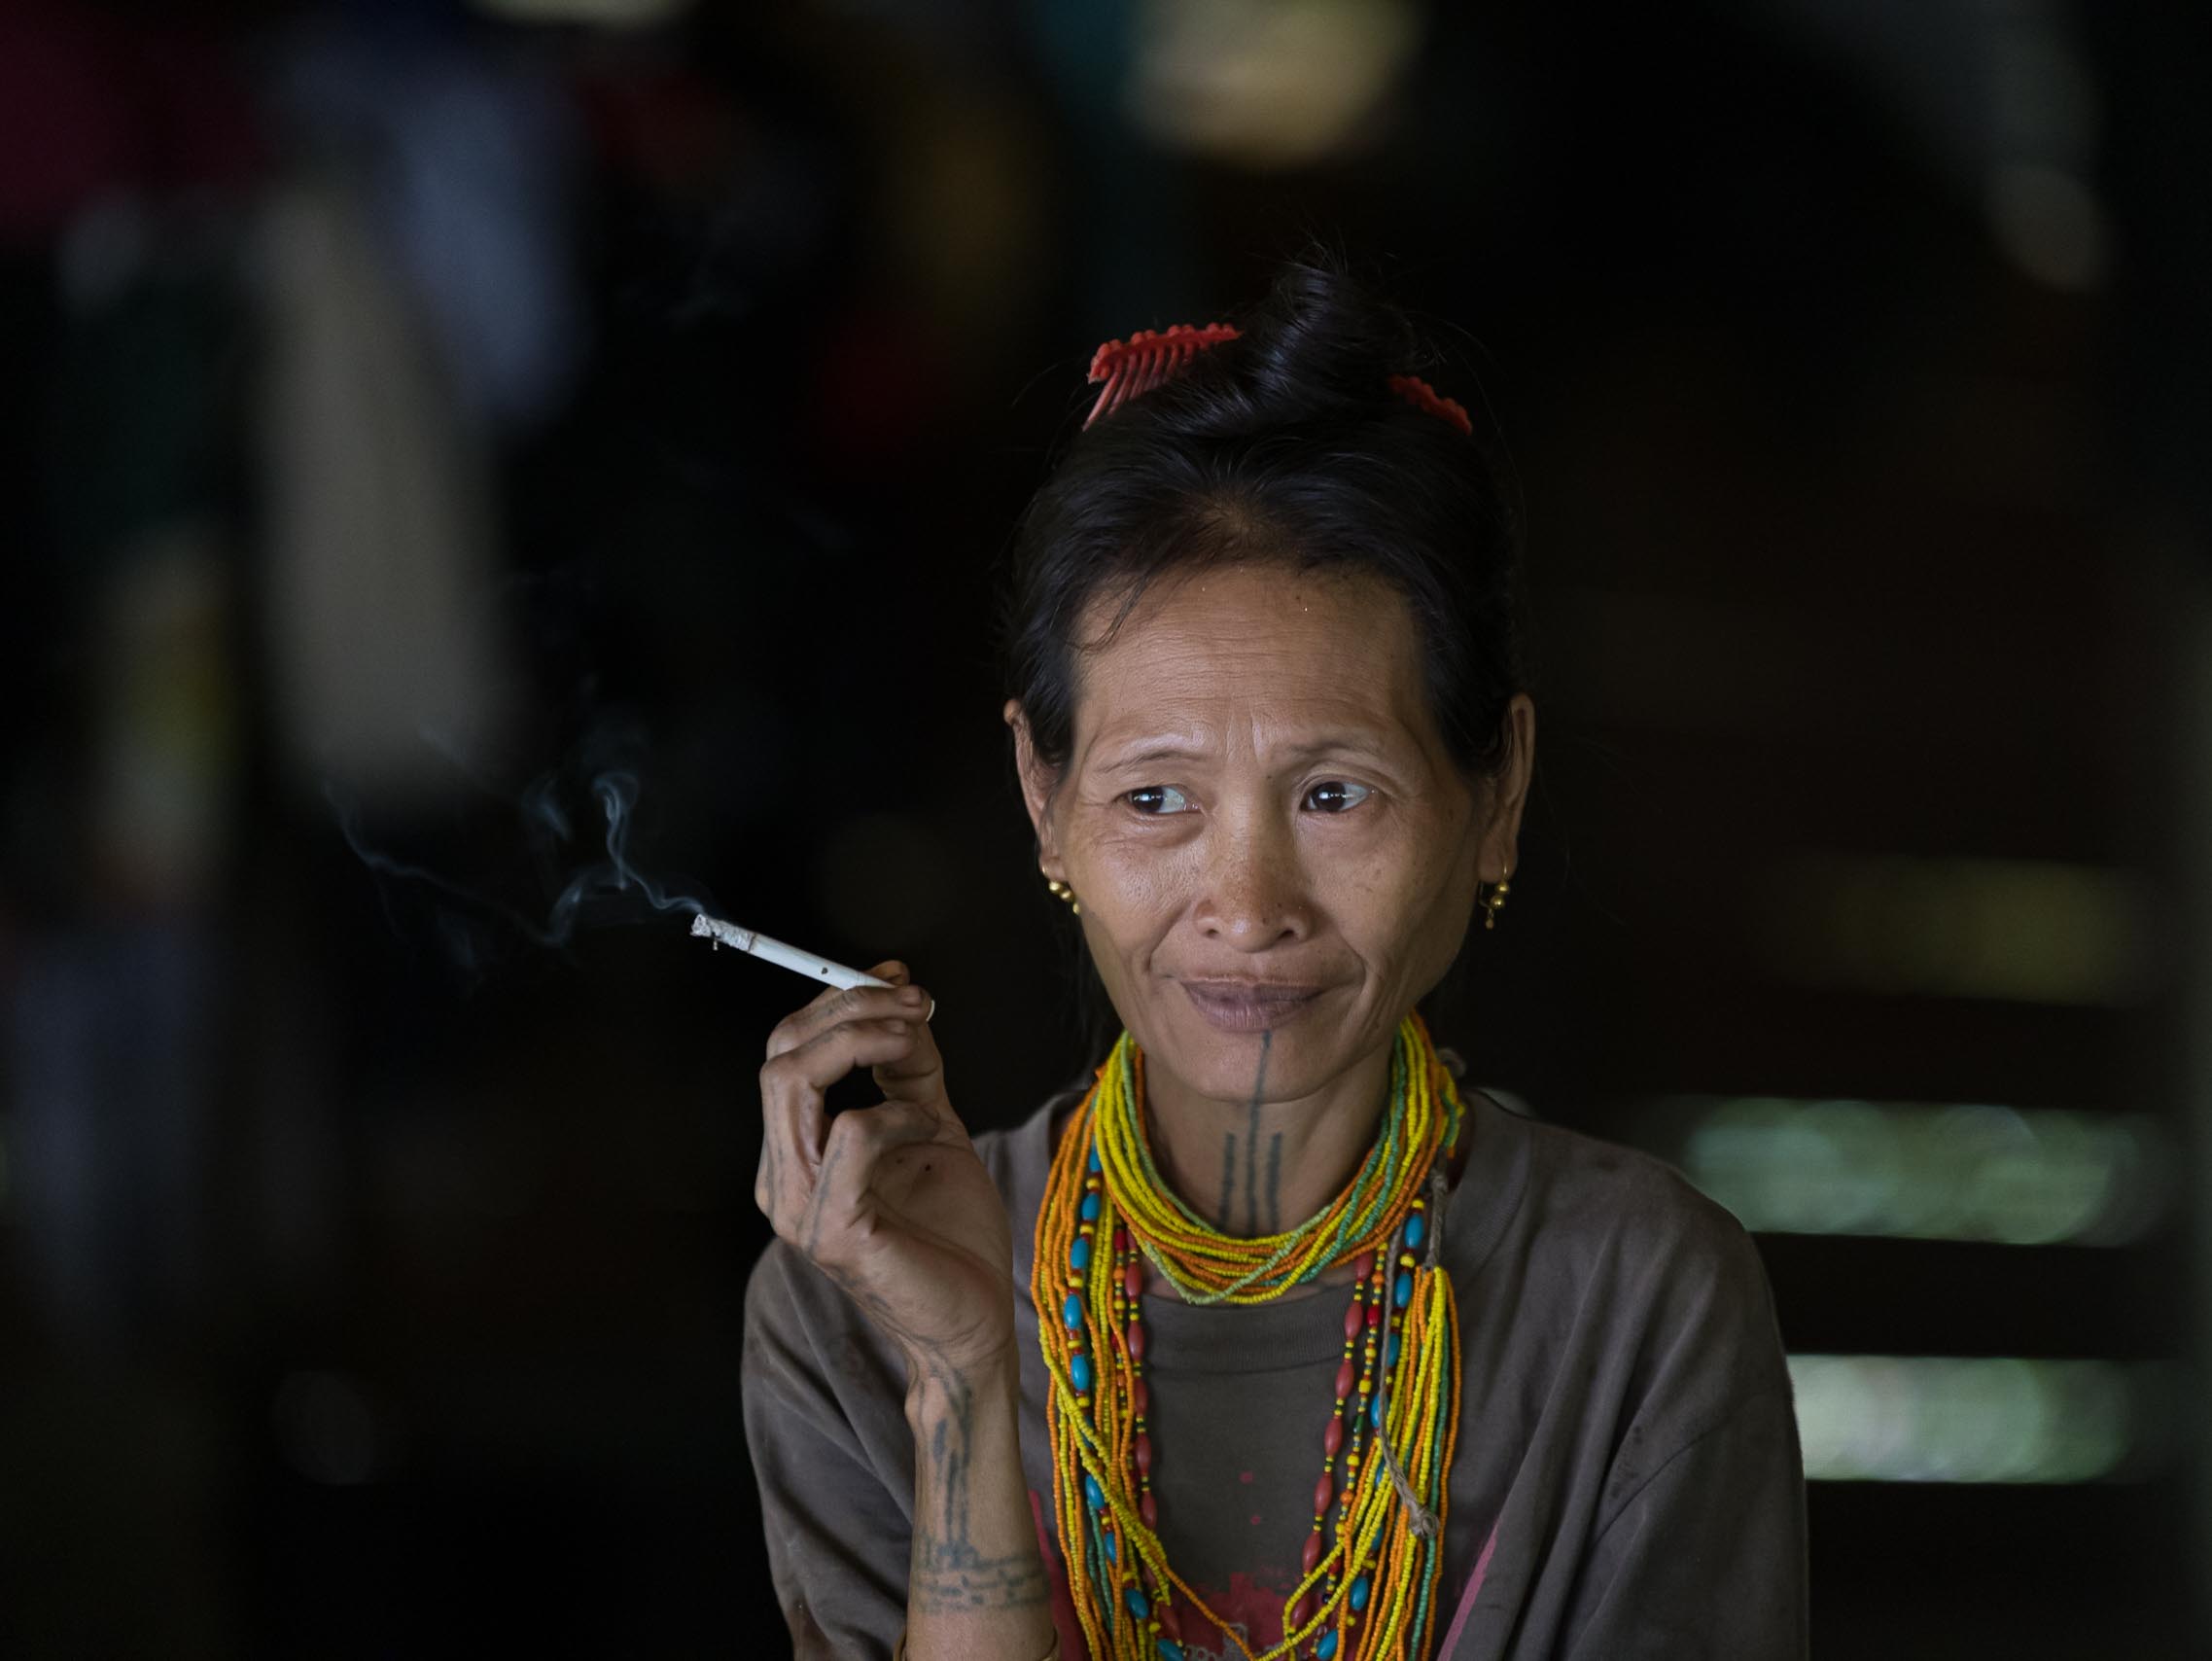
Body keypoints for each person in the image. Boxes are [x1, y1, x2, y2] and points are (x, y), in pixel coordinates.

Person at [742, 253, 1808, 1661]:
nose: (1246, 903)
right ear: (1041, 799)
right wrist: (961, 1388)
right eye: (1156, 799)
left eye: (1332, 794)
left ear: (1496, 795)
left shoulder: (1637, 1301)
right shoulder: (853, 1293)